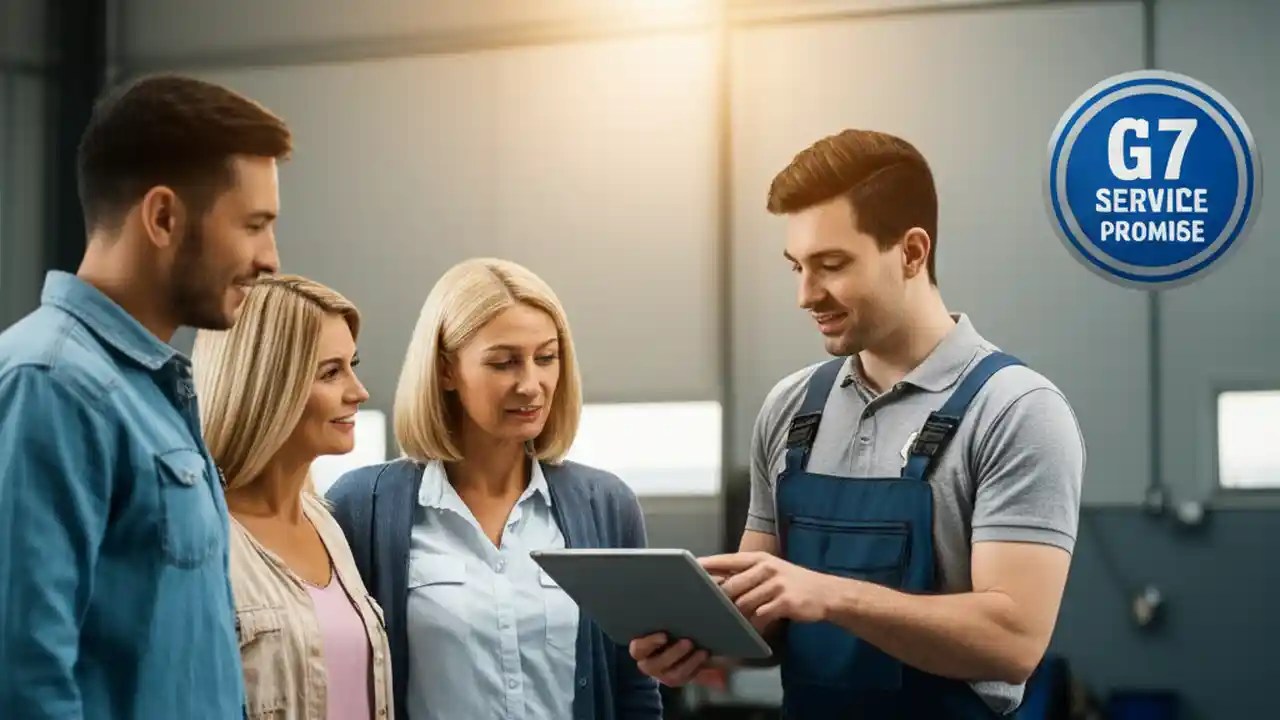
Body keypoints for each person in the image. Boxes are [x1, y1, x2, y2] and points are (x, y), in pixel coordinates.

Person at [630, 129, 1086, 718]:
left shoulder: (1015, 410)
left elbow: (1013, 641)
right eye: (796, 267)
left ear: (912, 253)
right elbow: (762, 617)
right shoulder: (791, 408)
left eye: (831, 265)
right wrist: (697, 641)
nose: (805, 295)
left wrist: (831, 595)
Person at [0, 75, 288, 719]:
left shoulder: (150, 392)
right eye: (254, 225)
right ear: (163, 217)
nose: (271, 258)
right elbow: (22, 678)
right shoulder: (51, 385)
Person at [326, 257, 662, 720]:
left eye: (546, 358)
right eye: (504, 363)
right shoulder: (361, 506)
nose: (532, 385)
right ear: (445, 370)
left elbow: (634, 688)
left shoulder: (605, 505)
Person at [191, 274, 395, 720]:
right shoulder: (203, 539)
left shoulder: (326, 525)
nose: (359, 391)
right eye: (331, 372)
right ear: (267, 385)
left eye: (352, 365)